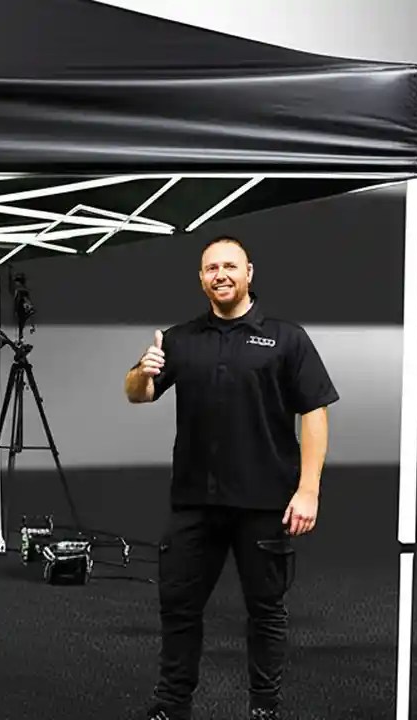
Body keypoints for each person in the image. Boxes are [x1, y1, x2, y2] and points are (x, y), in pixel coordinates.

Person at [124, 236, 338, 720]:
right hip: (194, 501)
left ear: (249, 273)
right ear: (200, 279)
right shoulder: (180, 339)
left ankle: (264, 709)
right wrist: (144, 368)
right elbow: (138, 394)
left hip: (265, 502)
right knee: (178, 609)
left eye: (229, 266)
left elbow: (316, 413)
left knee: (266, 613)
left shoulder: (286, 338)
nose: (220, 274)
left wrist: (308, 490)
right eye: (210, 268)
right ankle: (172, 706)